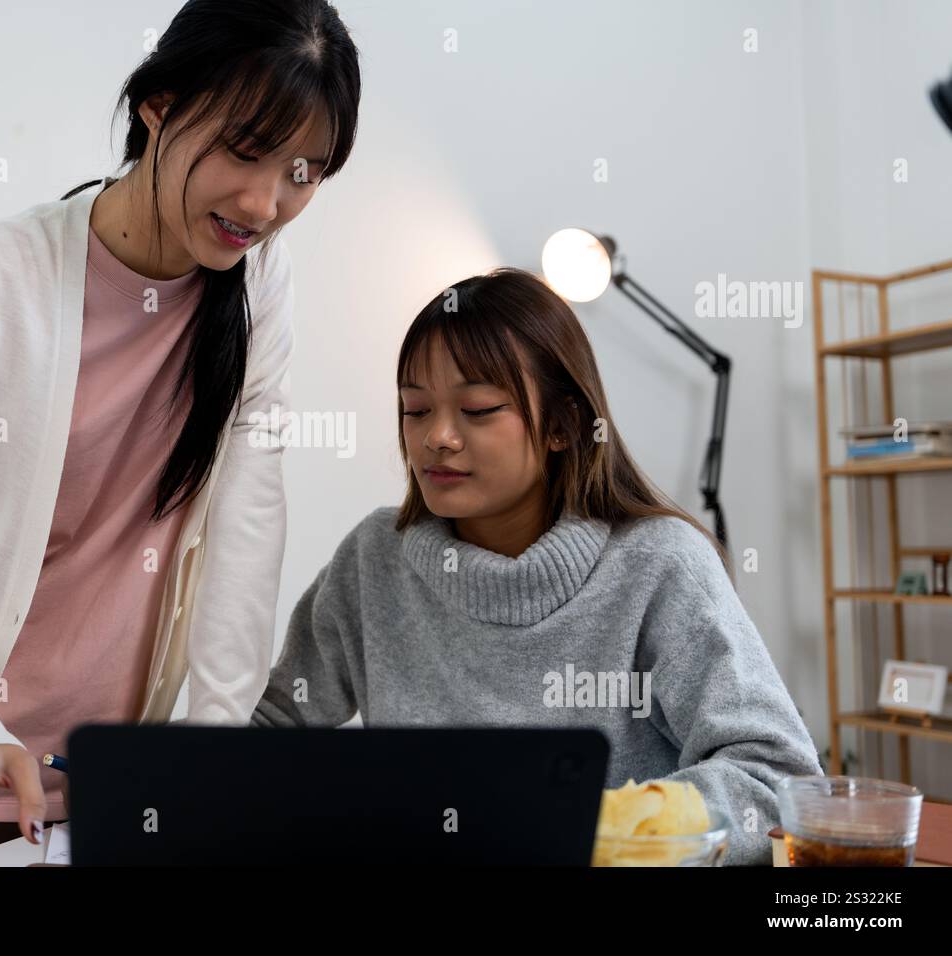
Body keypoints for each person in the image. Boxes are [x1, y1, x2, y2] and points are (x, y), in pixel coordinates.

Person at [0, 0, 362, 867]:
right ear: (158, 104)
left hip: (99, 800)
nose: (266, 202)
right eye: (244, 148)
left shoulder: (259, 285)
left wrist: (214, 762)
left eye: (303, 172)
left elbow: (246, 527)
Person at [251, 267, 822, 865]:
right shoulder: (374, 559)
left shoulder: (659, 564)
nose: (437, 438)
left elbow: (775, 776)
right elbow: (273, 725)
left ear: (563, 425)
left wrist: (588, 828)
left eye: (477, 409)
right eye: (415, 410)